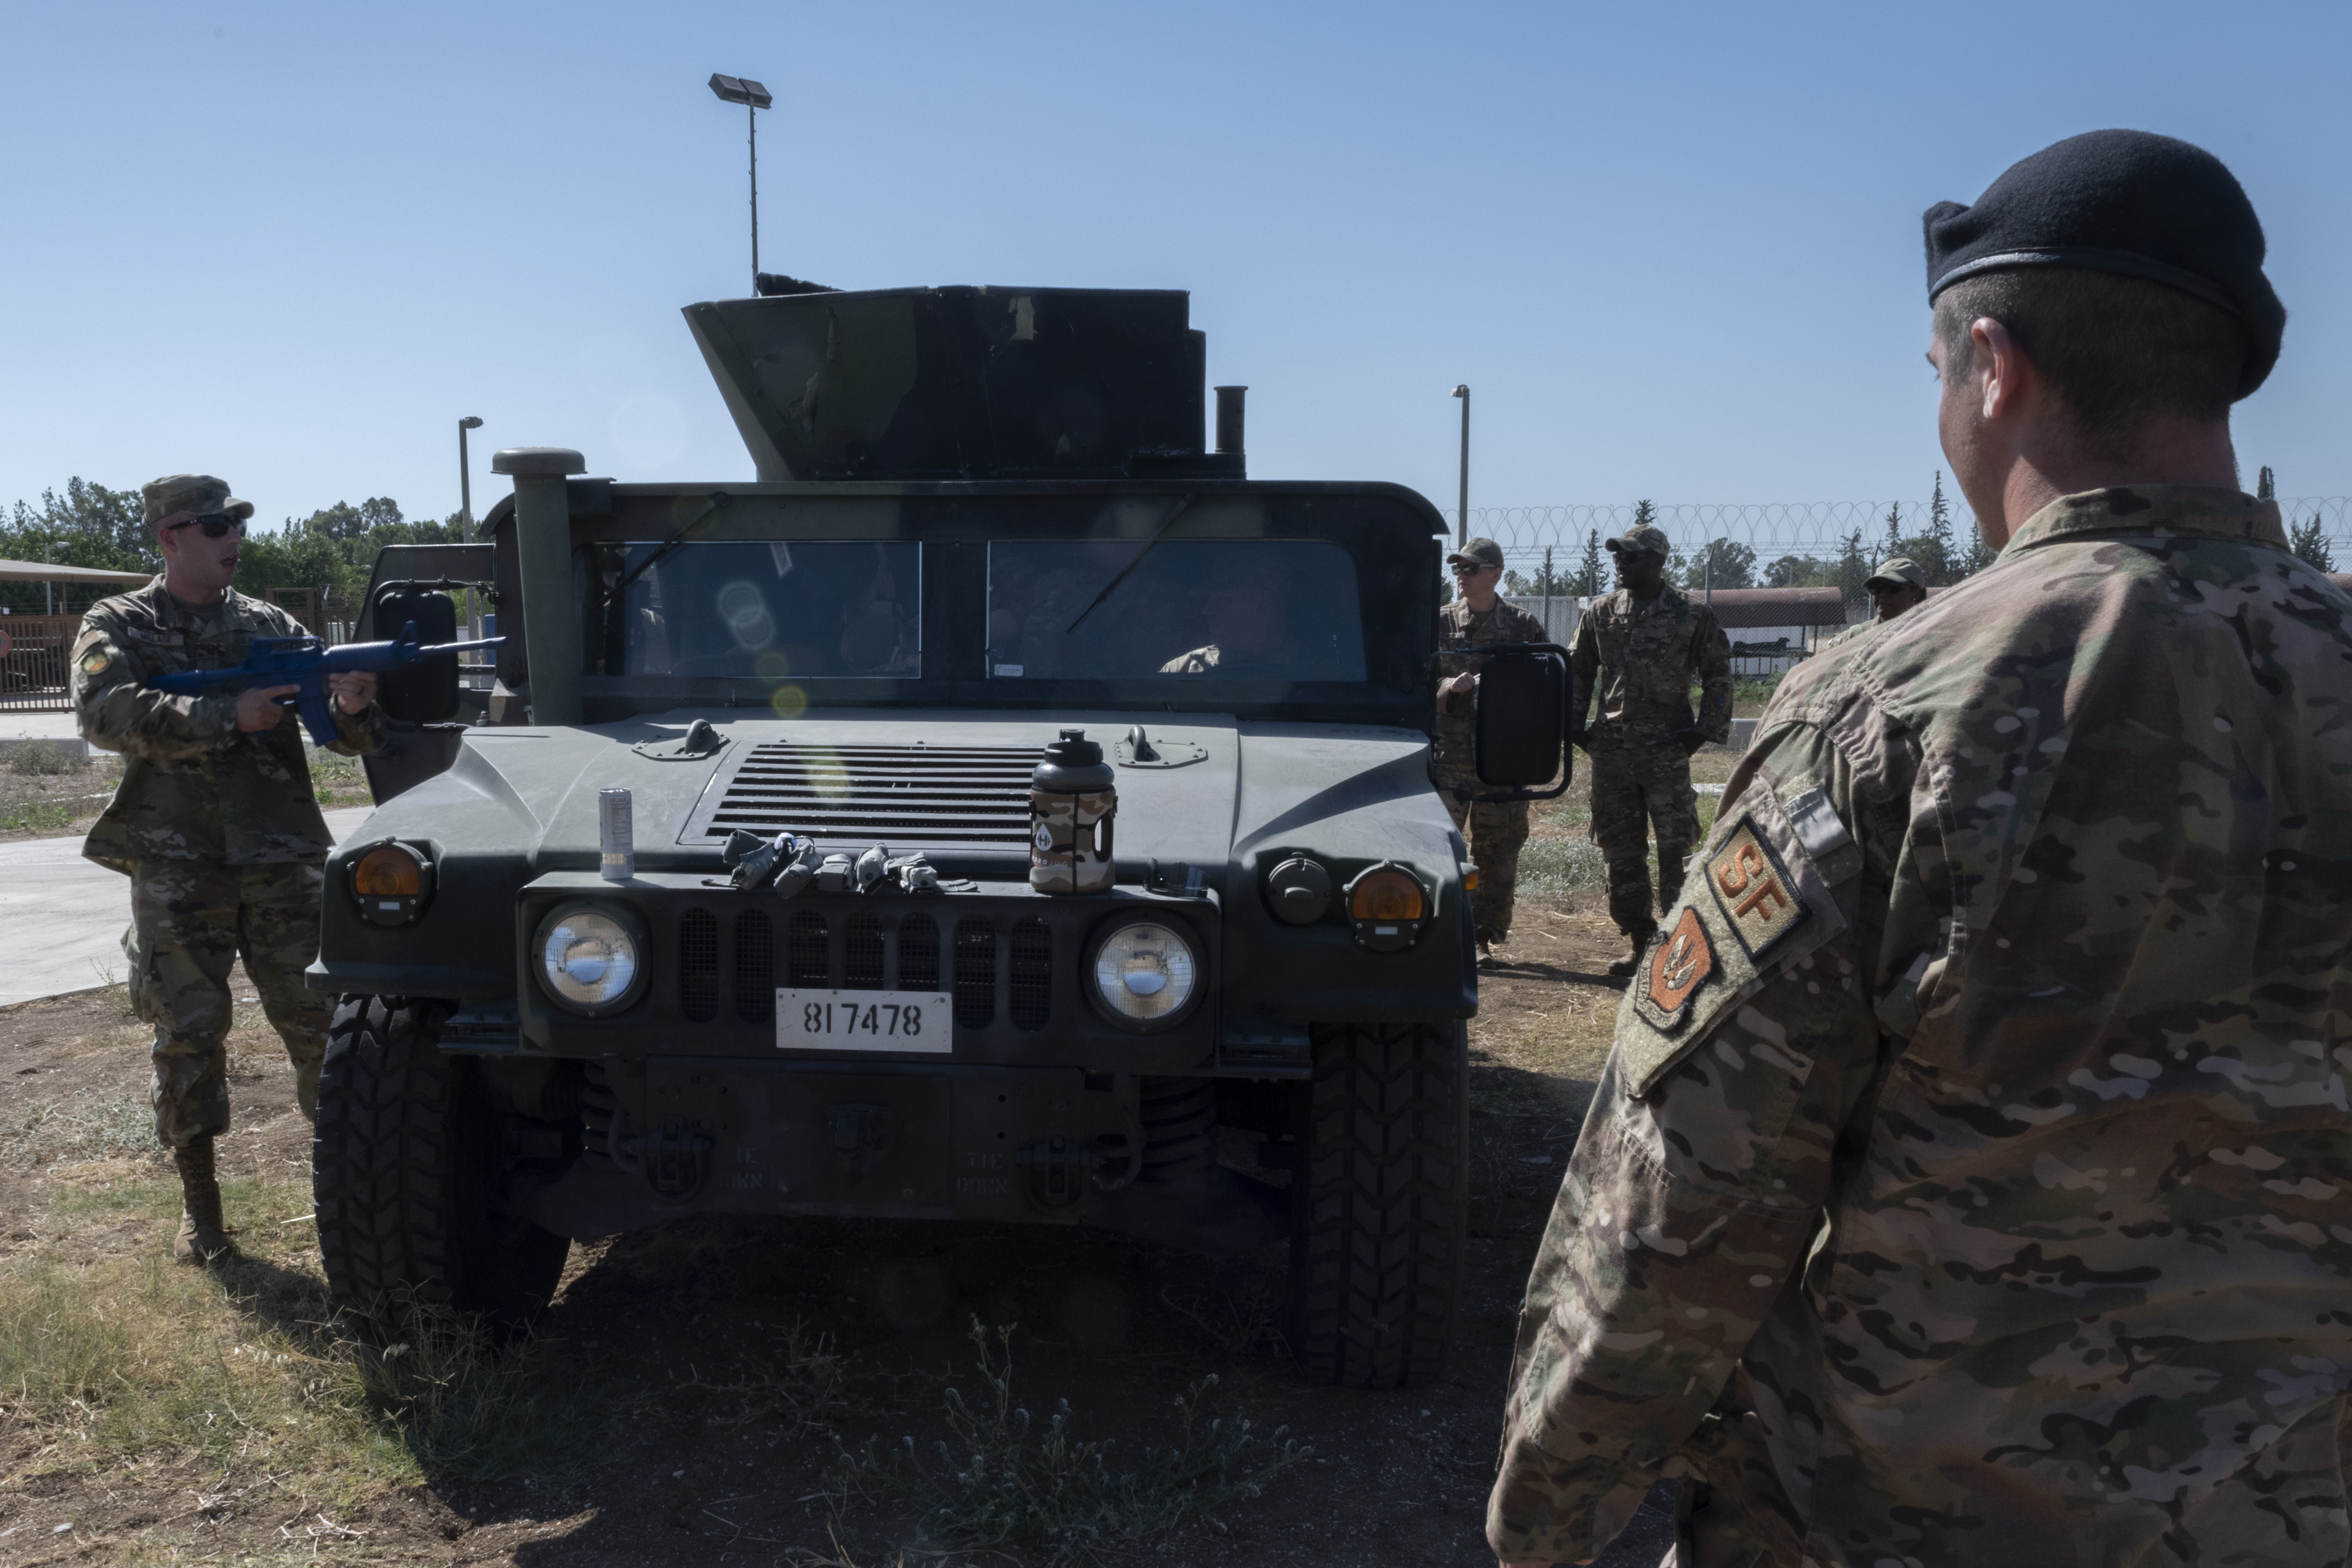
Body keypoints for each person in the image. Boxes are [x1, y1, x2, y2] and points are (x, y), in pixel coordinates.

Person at [1489, 128, 2352, 1568]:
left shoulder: (1890, 711)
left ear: (1993, 368)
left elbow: (1692, 1184)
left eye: (1937, 372)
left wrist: (1547, 1512)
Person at [71, 475, 382, 1265]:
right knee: (190, 1033)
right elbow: (104, 713)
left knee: (328, 1030)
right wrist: (223, 714)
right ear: (170, 536)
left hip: (282, 859)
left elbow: (347, 744)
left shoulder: (269, 623)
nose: (232, 535)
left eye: (238, 520)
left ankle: (347, 1196)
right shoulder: (121, 620)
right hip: (178, 865)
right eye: (214, 525)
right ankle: (201, 1209)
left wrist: (349, 708)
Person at [1567, 523, 1732, 978]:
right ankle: (1640, 941)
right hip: (1613, 755)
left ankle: (1682, 947)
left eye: (1632, 555)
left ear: (1658, 561)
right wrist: (1575, 729)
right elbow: (1577, 672)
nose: (1621, 562)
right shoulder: (1601, 613)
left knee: (1676, 848)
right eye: (1618, 555)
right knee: (1620, 851)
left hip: (1665, 752)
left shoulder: (1690, 615)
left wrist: (1701, 733)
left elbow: (1717, 675)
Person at [1432, 537, 1548, 960]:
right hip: (1451, 758)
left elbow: (1544, 683)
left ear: (1495, 573)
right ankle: (1437, 932)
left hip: (1504, 757)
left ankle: (1481, 937)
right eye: (1457, 568)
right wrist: (1450, 687)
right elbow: (1412, 683)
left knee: (1497, 851)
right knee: (1439, 847)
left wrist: (1506, 691)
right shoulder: (1439, 623)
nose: (1460, 575)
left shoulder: (1522, 626)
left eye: (1470, 568)